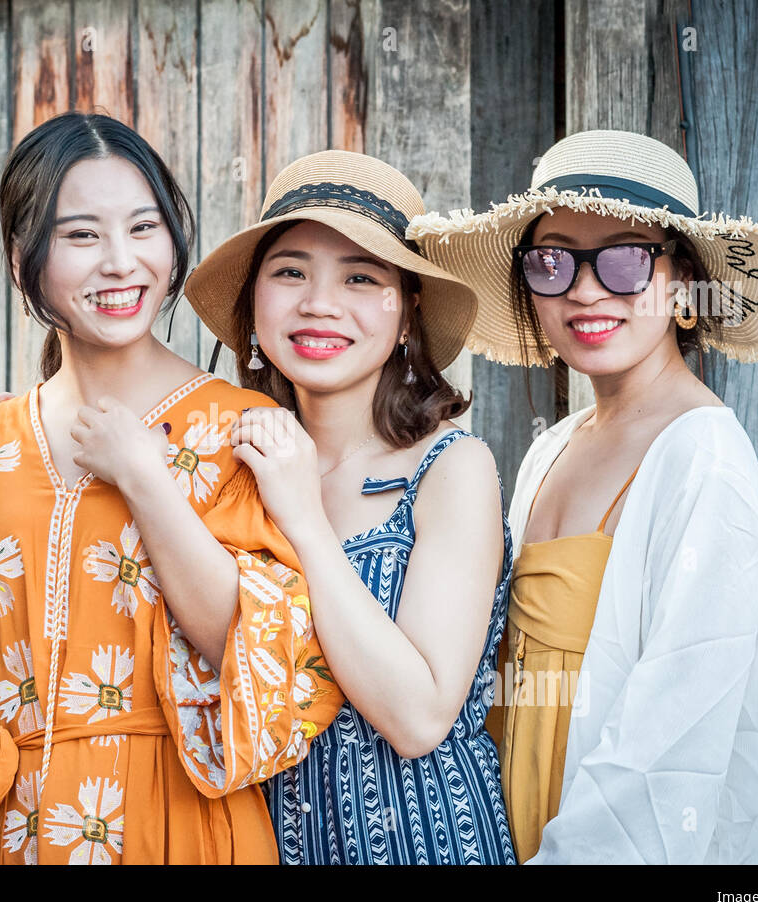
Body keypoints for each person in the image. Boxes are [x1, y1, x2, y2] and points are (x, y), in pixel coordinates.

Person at [0, 112, 342, 865]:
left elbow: (247, 646)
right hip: (9, 826)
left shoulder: (242, 426)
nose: (120, 262)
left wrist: (142, 474)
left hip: (176, 821)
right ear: (20, 259)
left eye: (143, 228)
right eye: (80, 236)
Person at [410, 128, 758, 863]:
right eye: (553, 261)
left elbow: (675, 733)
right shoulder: (548, 449)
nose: (587, 289)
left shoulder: (703, 455)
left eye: (625, 258)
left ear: (683, 282)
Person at [181, 150, 517, 864]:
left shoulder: (451, 469)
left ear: (406, 317)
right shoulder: (223, 468)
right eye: (290, 271)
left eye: (360, 277)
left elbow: (420, 716)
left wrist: (303, 519)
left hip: (430, 841)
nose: (319, 303)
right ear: (252, 307)